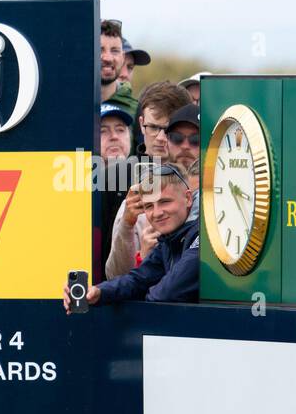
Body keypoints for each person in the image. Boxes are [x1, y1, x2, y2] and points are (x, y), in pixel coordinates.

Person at [66, 163, 199, 309]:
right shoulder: (168, 241)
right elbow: (138, 279)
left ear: (188, 198)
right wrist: (99, 292)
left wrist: (143, 301)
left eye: (164, 202)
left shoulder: (203, 235)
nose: (157, 213)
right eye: (148, 206)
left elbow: (167, 292)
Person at [134, 81, 190, 158]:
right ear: (141, 124)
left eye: (169, 130)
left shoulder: (204, 169)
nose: (160, 138)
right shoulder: (122, 169)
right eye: (153, 127)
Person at [165, 102, 201, 173]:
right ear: (166, 142)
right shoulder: (152, 180)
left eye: (195, 139)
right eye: (176, 138)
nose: (185, 146)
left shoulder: (219, 182)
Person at [99, 19, 124, 104]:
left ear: (123, 57)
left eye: (115, 51)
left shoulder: (135, 111)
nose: (108, 58)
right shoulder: (70, 102)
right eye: (100, 50)